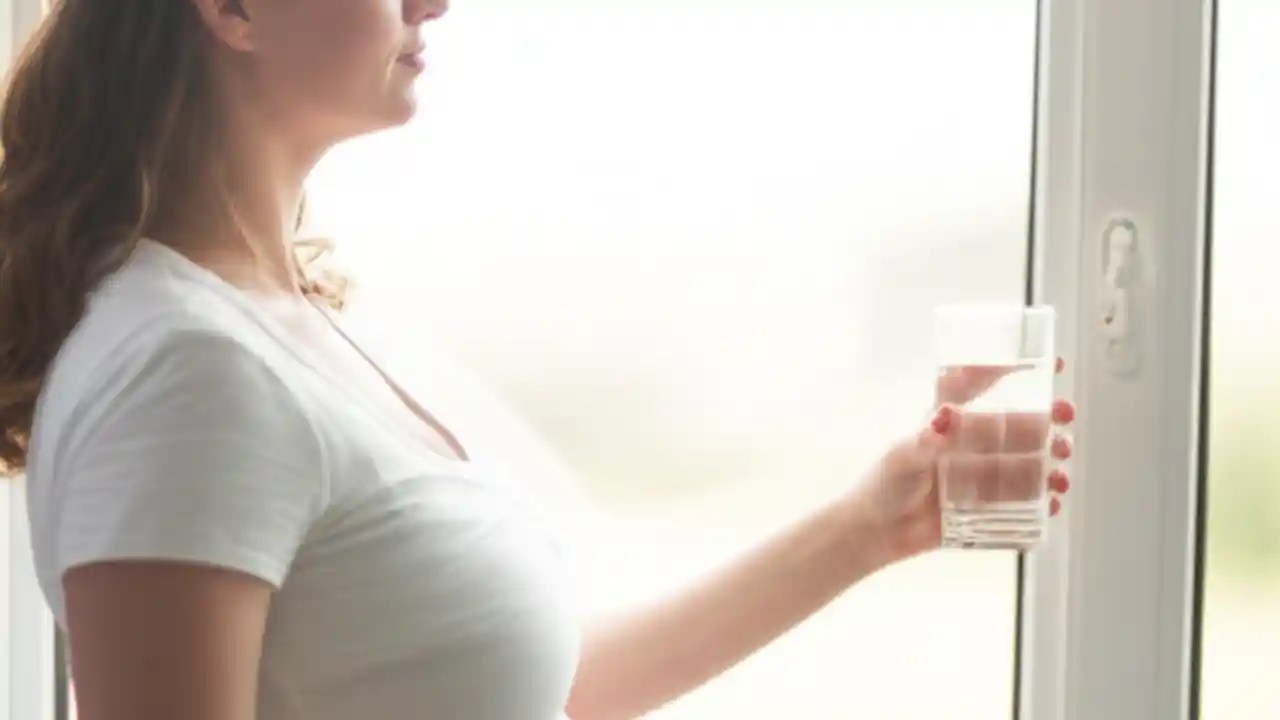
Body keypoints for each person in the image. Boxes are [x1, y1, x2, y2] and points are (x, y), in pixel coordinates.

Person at [0, 2, 1075, 719]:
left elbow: (531, 690)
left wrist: (871, 521)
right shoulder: (185, 374)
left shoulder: (284, 328)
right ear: (230, 6)